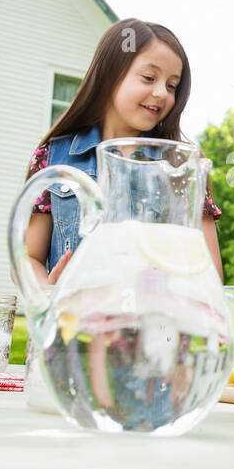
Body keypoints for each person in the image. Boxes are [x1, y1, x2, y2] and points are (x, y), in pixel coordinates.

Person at [25, 18, 223, 286]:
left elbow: (210, 274)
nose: (161, 93)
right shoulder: (53, 157)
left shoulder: (182, 165)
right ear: (110, 75)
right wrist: (46, 289)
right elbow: (29, 258)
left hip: (155, 325)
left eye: (171, 86)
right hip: (74, 325)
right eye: (149, 78)